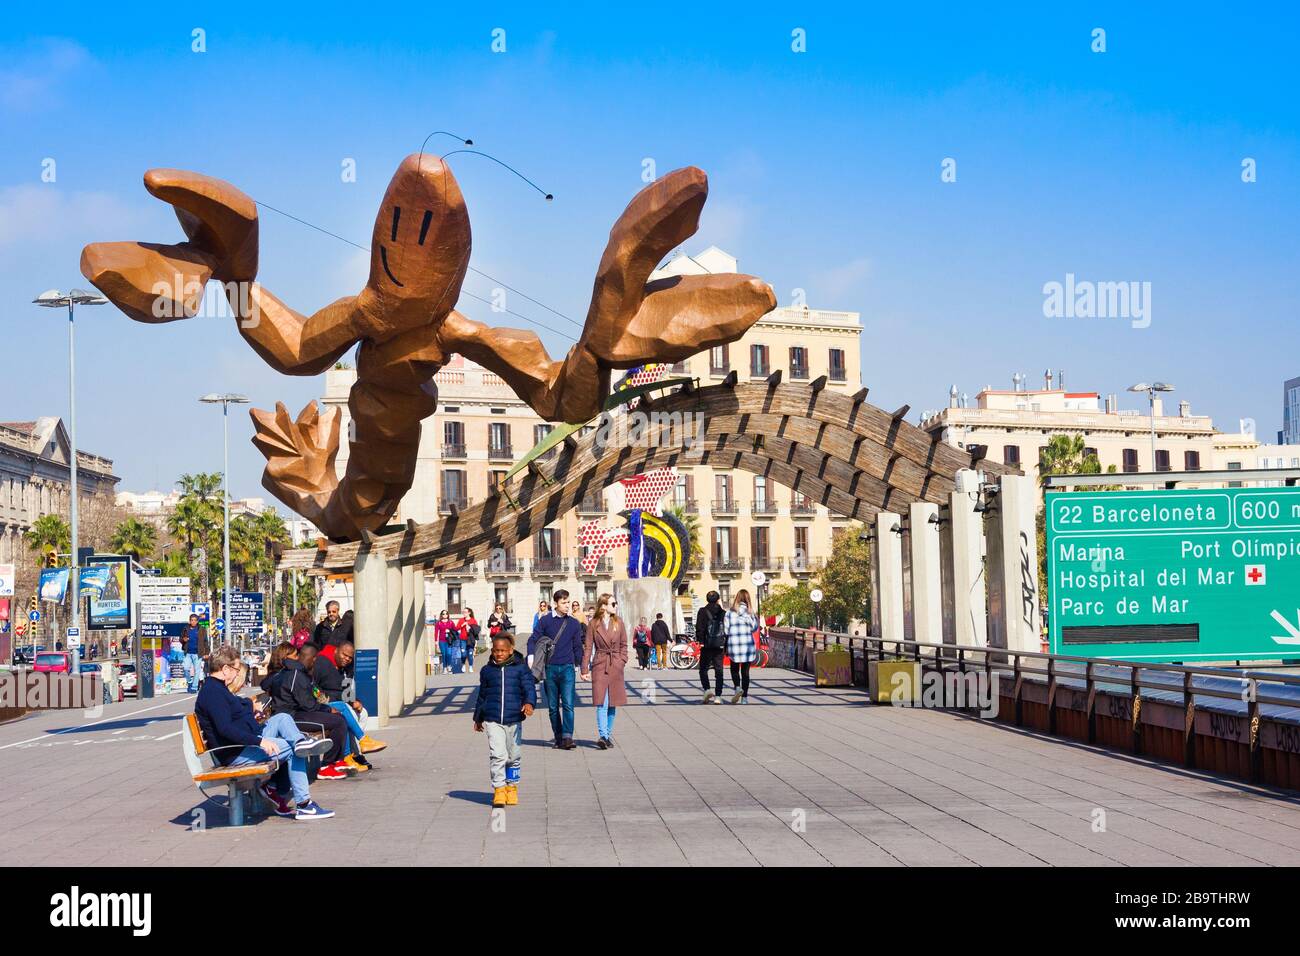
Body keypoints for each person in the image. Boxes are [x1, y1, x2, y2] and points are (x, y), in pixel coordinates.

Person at [194, 645, 335, 821]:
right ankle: (304, 805)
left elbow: (235, 712)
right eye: (236, 669)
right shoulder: (213, 693)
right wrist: (259, 742)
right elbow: (225, 729)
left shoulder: (217, 689)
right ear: (225, 669)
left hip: (245, 742)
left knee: (282, 717)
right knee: (292, 749)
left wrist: (251, 711)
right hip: (236, 752)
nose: (238, 674)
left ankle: (301, 741)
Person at [262, 642, 355, 779]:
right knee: (338, 721)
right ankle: (326, 765)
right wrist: (327, 710)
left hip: (295, 714)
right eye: (295, 655)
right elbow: (308, 704)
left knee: (339, 718)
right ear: (311, 658)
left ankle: (335, 761)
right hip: (291, 718)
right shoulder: (295, 674)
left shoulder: (291, 673)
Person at [473, 633, 537, 808]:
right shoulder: (487, 671)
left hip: (514, 718)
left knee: (513, 756)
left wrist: (529, 703)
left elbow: (529, 688)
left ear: (510, 651)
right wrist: (478, 718)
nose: (499, 654)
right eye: (496, 651)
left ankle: (512, 787)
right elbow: (482, 696)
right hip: (492, 719)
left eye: (503, 650)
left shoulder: (521, 669)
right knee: (498, 755)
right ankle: (499, 789)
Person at [309, 641, 386, 771]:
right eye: (345, 655)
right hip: (325, 703)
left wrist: (353, 701)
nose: (347, 659)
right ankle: (353, 751)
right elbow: (312, 685)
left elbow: (346, 686)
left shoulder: (346, 666)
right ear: (336, 651)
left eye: (350, 658)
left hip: (341, 701)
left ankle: (357, 750)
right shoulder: (322, 663)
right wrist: (323, 701)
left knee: (362, 713)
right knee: (344, 715)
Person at [526, 589, 585, 749]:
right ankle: (558, 737)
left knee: (568, 704)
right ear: (556, 603)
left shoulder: (573, 623)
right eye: (564, 603)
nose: (567, 606)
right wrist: (531, 656)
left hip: (567, 668)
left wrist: (581, 667)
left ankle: (567, 737)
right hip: (549, 668)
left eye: (568, 602)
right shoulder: (545, 621)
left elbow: (578, 646)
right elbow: (533, 639)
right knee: (552, 707)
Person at [581, 593, 628, 749]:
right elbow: (588, 647)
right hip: (600, 664)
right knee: (602, 702)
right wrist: (584, 668)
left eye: (615, 604)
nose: (615, 606)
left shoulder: (619, 622)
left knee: (613, 703)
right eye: (612, 604)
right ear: (603, 606)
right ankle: (603, 735)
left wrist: (622, 661)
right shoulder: (593, 624)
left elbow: (624, 645)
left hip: (615, 664)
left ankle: (607, 735)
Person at [725, 589, 760, 704]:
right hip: (747, 646)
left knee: (734, 669)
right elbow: (755, 628)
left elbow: (726, 630)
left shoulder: (730, 612)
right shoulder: (751, 613)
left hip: (734, 645)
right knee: (745, 673)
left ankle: (737, 688)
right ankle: (744, 698)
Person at [695, 590, 726, 704]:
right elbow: (726, 630)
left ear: (707, 599)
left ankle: (707, 689)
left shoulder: (702, 611)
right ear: (718, 599)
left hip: (706, 645)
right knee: (719, 670)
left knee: (703, 669)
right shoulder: (723, 612)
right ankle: (718, 696)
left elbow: (699, 627)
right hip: (719, 645)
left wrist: (701, 641)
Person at [179, 614, 209, 693]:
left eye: (195, 620)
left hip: (198, 653)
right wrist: (183, 640)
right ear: (190, 621)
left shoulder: (202, 629)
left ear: (197, 621)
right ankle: (189, 682)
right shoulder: (186, 628)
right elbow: (181, 638)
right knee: (185, 669)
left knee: (197, 671)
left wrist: (206, 652)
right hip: (187, 653)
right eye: (191, 620)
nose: (193, 622)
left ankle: (194, 687)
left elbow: (206, 641)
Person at [457, 608, 481, 673]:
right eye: (463, 612)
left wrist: (470, 627)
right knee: (463, 654)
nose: (464, 613)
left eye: (465, 612)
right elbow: (456, 628)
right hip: (463, 640)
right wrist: (462, 625)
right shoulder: (461, 620)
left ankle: (470, 666)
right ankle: (463, 664)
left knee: (470, 654)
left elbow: (477, 630)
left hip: (470, 640)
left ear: (469, 613)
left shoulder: (473, 620)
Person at [434, 609, 457, 675]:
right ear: (441, 615)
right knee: (444, 654)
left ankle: (449, 667)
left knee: (449, 654)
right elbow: (436, 632)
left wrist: (450, 630)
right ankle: (444, 668)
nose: (445, 615)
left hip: (449, 641)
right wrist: (436, 641)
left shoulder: (450, 622)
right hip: (441, 641)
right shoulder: (439, 623)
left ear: (448, 615)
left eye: (446, 613)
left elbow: (455, 629)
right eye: (443, 614)